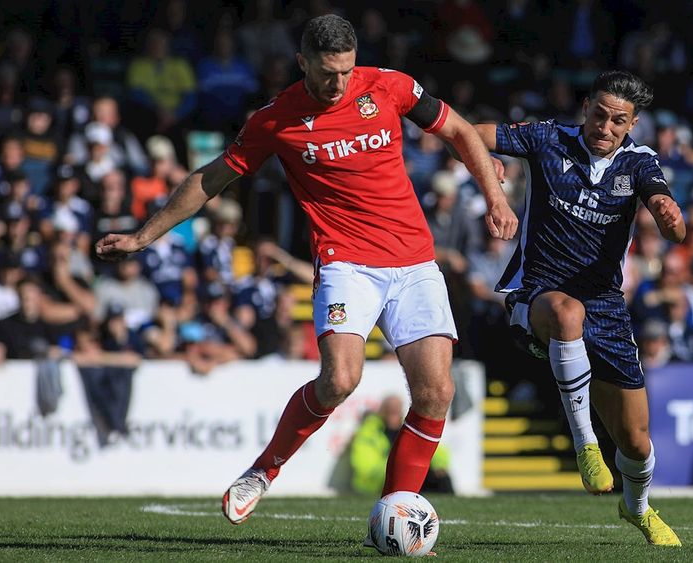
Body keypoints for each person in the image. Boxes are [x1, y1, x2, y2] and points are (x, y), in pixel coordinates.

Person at [95, 14, 516, 531]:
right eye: (326, 73)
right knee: (340, 379)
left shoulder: (389, 86)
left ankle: (394, 513)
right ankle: (263, 470)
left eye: (345, 71)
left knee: (437, 392)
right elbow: (211, 179)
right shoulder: (275, 119)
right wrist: (144, 236)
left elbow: (457, 130)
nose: (337, 83)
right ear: (302, 62)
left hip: (413, 260)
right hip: (346, 263)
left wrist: (495, 196)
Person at [468, 70, 684, 546]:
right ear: (586, 108)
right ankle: (586, 443)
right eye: (599, 115)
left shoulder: (639, 163)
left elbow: (671, 219)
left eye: (618, 121)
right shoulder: (547, 138)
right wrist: (488, 168)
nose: (605, 127)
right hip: (538, 293)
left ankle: (637, 508)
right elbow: (468, 133)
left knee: (636, 442)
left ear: (632, 124)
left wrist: (670, 216)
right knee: (567, 314)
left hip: (606, 306)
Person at [348, 395, 453, 496]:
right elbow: (365, 468)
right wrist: (399, 466)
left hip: (407, 476)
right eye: (389, 408)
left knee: (442, 478)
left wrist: (439, 464)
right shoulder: (369, 432)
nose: (393, 411)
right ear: (381, 410)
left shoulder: (411, 430)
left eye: (396, 409)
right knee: (409, 475)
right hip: (377, 484)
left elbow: (434, 449)